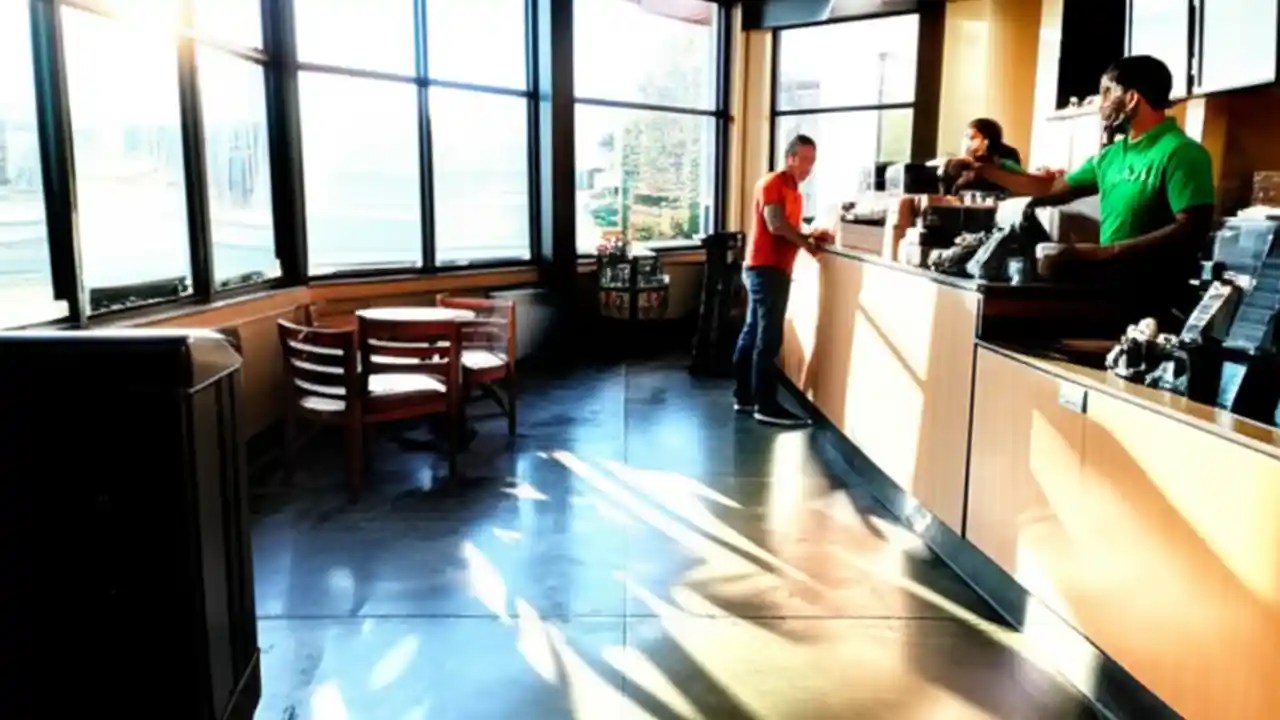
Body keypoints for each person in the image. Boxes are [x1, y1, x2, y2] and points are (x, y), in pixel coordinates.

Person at [953, 55, 1215, 292]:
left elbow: (1191, 229)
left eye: (1107, 93)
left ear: (1132, 97)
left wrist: (1105, 253)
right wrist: (985, 170)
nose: (1101, 104)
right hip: (1111, 288)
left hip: (1157, 293)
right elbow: (1051, 189)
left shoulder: (1182, 152)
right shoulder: (1111, 156)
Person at [733, 134, 833, 427]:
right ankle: (766, 404)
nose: (809, 167)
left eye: (813, 161)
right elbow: (775, 224)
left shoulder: (796, 193)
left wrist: (809, 235)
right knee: (769, 337)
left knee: (753, 333)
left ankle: (745, 396)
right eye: (805, 159)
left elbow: (788, 224)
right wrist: (808, 244)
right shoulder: (773, 182)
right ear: (790, 158)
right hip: (767, 268)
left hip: (771, 269)